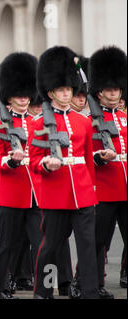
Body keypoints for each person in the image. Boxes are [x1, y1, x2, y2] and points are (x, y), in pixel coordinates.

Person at [30, 46, 99, 299]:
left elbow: (87, 160)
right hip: (55, 192)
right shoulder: (39, 124)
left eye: (68, 89)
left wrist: (92, 189)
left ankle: (90, 291)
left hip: (82, 192)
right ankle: (44, 290)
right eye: (61, 90)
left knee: (88, 246)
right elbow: (34, 161)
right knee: (51, 246)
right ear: (50, 92)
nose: (66, 93)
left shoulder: (83, 121)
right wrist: (47, 165)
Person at [73, 46, 127, 299]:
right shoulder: (88, 121)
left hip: (125, 188)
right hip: (104, 189)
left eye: (116, 88)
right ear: (100, 92)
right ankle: (84, 281)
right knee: (97, 243)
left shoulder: (125, 119)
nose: (114, 93)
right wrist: (98, 158)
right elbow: (84, 154)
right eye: (109, 89)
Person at [0, 52, 42, 299]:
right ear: (9, 97)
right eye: (18, 95)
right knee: (6, 245)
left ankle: (45, 286)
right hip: (11, 193)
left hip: (36, 193)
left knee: (43, 244)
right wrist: (10, 161)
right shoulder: (1, 125)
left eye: (26, 94)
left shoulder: (38, 123)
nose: (23, 99)